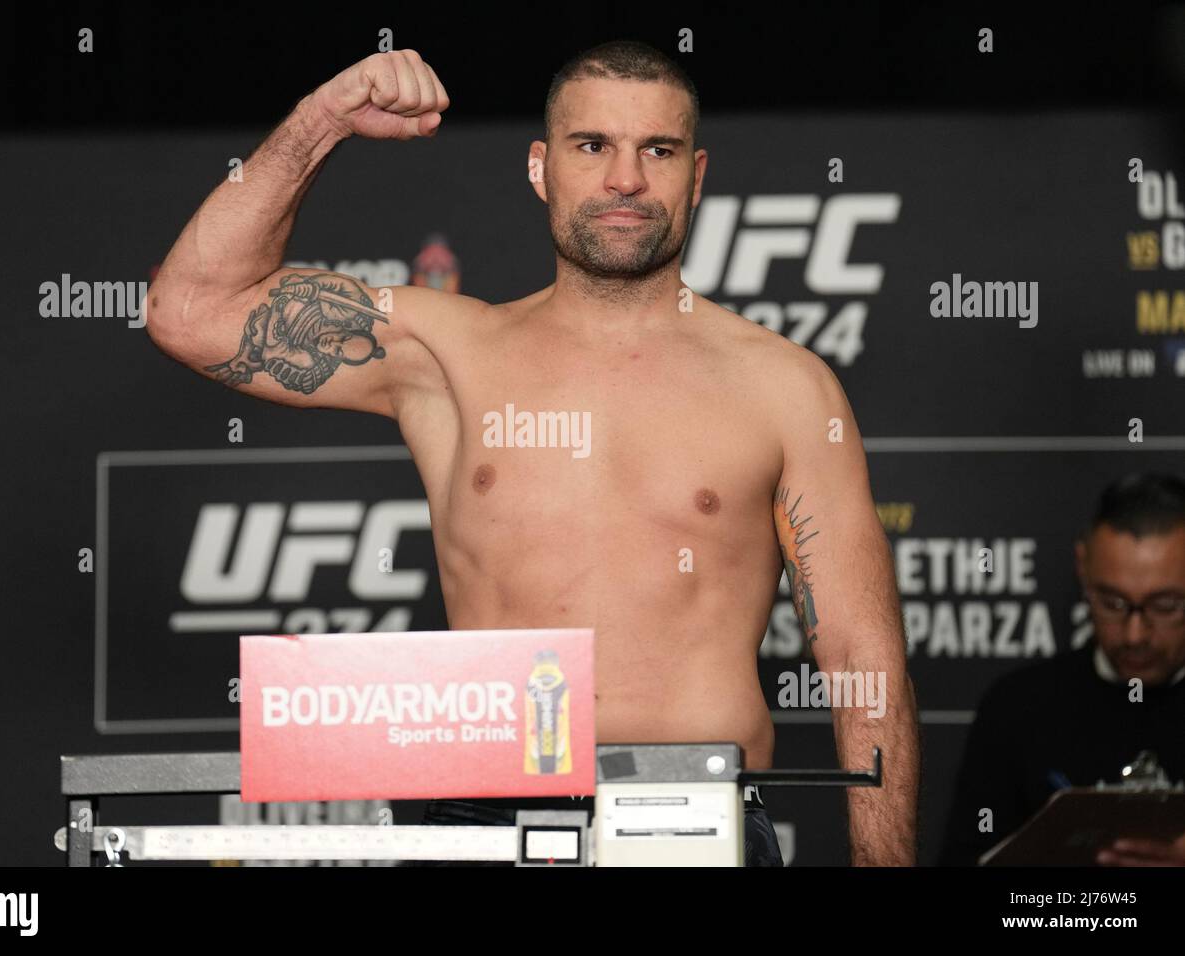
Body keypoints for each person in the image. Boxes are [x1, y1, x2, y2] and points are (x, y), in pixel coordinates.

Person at [144, 39, 918, 866]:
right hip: (479, 820)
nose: (625, 179)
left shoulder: (788, 389)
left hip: (695, 818)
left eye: (657, 150)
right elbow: (190, 310)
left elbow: (861, 662)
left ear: (695, 177)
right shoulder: (449, 353)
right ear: (540, 168)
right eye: (593, 147)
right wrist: (321, 120)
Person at [939, 473, 1185, 866]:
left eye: (1166, 605)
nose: (1135, 634)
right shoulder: (1018, 709)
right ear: (1082, 568)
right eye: (1112, 602)